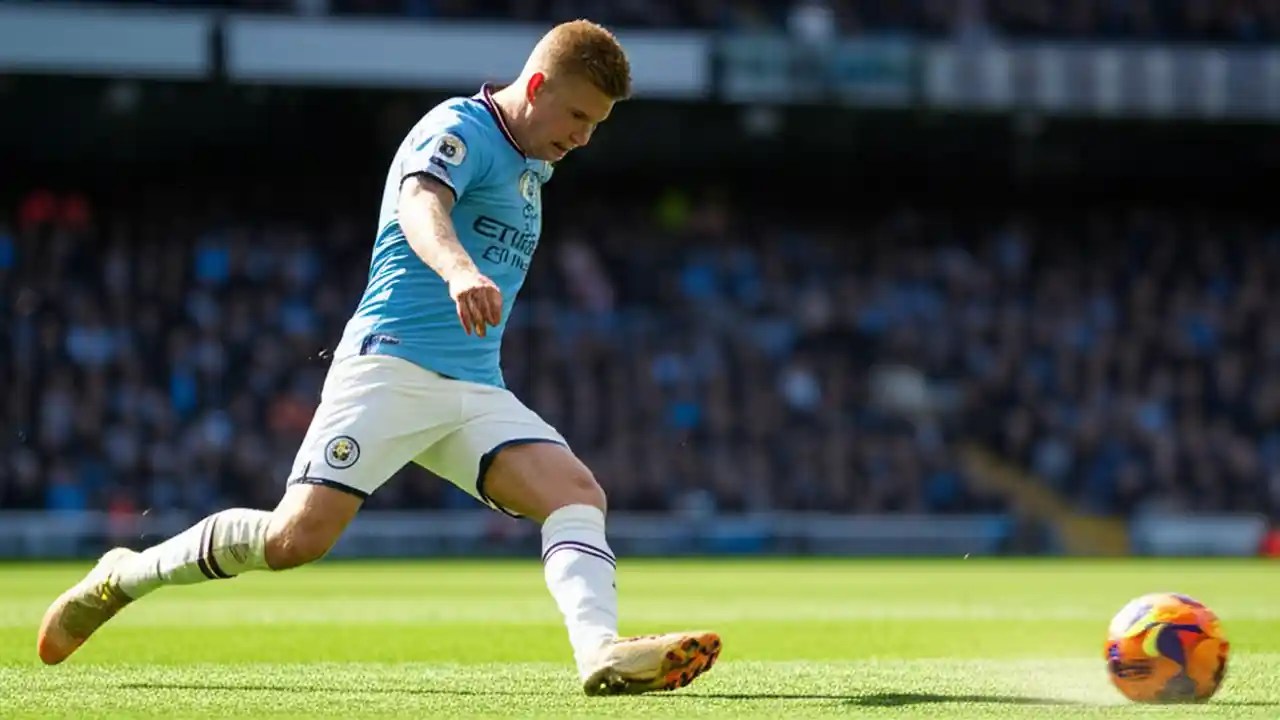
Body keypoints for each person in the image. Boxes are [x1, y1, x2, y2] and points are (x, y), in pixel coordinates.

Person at [37, 19, 721, 696]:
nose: (583, 136)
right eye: (576, 115)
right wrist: (458, 271)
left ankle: (599, 651)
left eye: (596, 124)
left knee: (577, 494)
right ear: (536, 85)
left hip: (473, 387)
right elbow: (419, 201)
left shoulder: (530, 165)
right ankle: (122, 575)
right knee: (295, 539)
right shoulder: (461, 129)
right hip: (390, 367)